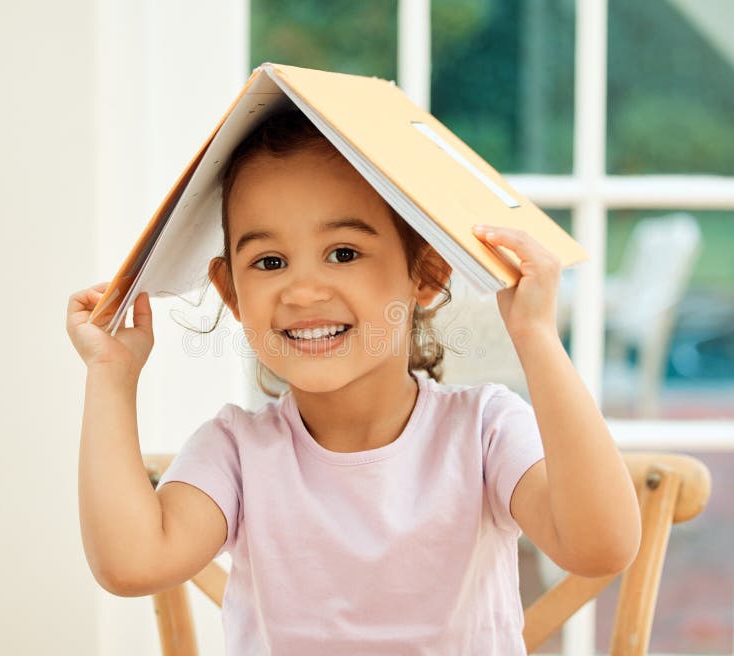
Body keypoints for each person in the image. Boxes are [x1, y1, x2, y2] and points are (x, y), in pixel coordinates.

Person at [66, 110, 641, 654]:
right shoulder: (237, 452)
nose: (303, 291)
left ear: (427, 273)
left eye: (343, 253)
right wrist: (111, 377)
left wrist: (536, 336)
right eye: (269, 262)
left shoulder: (485, 430)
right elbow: (131, 563)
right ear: (231, 292)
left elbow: (601, 544)